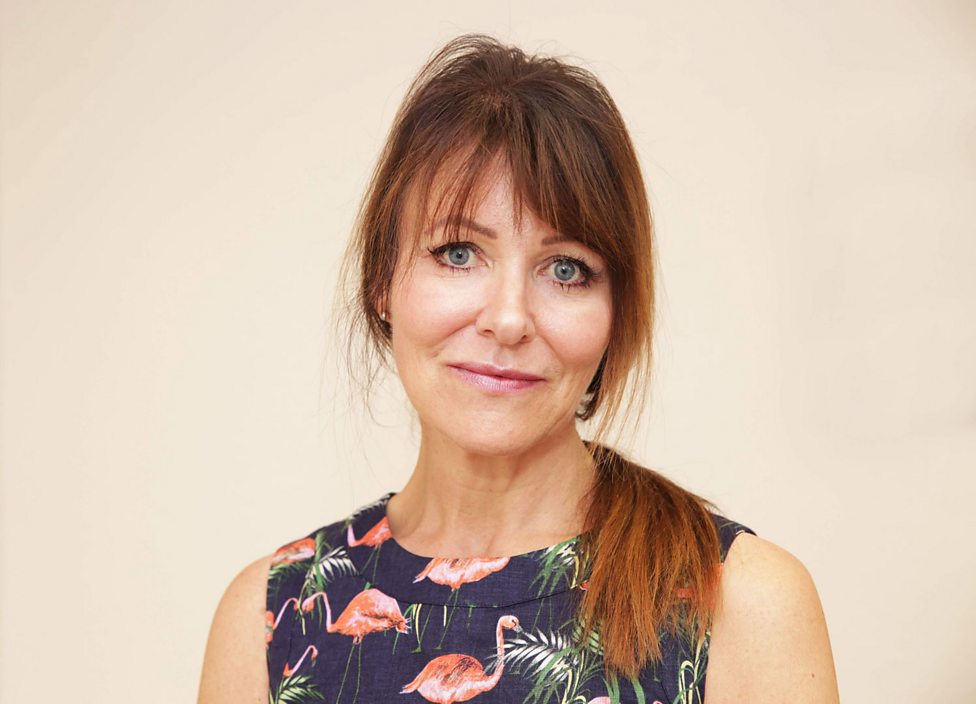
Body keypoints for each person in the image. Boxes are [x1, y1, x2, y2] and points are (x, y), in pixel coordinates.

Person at [197, 34, 839, 704]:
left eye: (566, 269)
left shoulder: (740, 603)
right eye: (457, 253)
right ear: (382, 280)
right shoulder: (271, 620)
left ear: (617, 312)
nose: (508, 319)